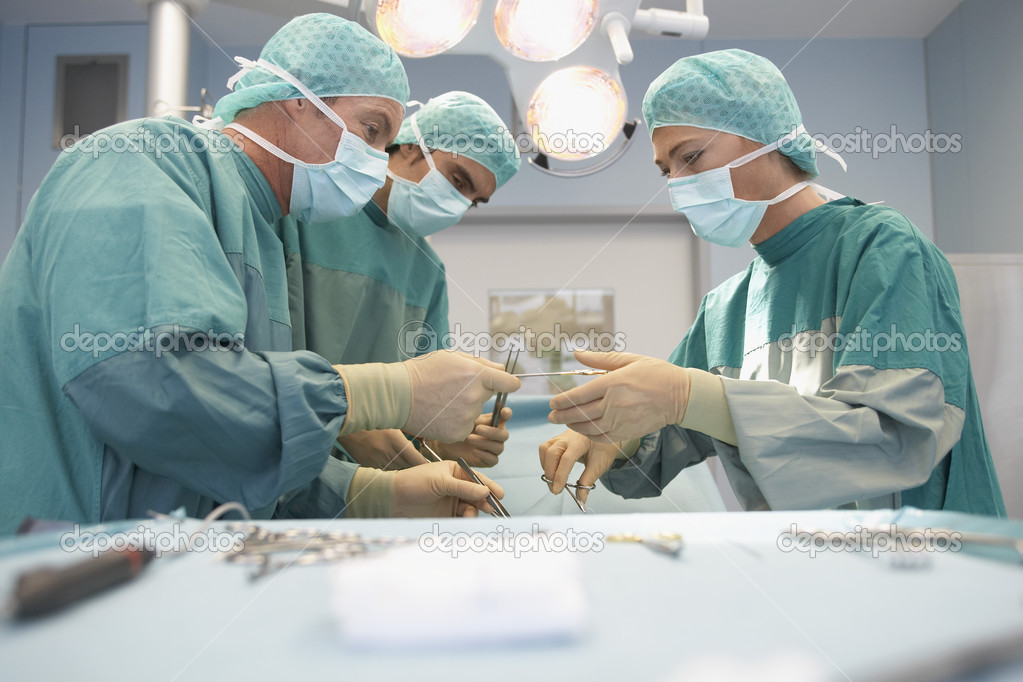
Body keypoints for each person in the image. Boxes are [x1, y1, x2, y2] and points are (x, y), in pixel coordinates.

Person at [0, 14, 521, 535]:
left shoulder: (264, 235)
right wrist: (386, 394)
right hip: (56, 565)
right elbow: (151, 384)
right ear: (299, 98)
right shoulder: (145, 160)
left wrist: (370, 496)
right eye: (370, 129)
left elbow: (237, 445)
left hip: (168, 568)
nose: (373, 157)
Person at [540, 49, 1004, 515]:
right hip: (802, 572)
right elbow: (663, 449)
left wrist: (686, 393)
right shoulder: (725, 309)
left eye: (692, 157)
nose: (678, 185)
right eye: (667, 171)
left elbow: (897, 441)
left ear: (766, 138)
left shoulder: (881, 249)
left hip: (929, 567)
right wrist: (620, 435)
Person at [280, 91, 521, 470]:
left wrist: (444, 441)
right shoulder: (306, 208)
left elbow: (420, 402)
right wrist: (347, 422)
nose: (459, 205)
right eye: (458, 180)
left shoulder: (428, 272)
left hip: (364, 494)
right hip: (277, 455)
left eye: (473, 200)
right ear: (410, 147)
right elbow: (252, 361)